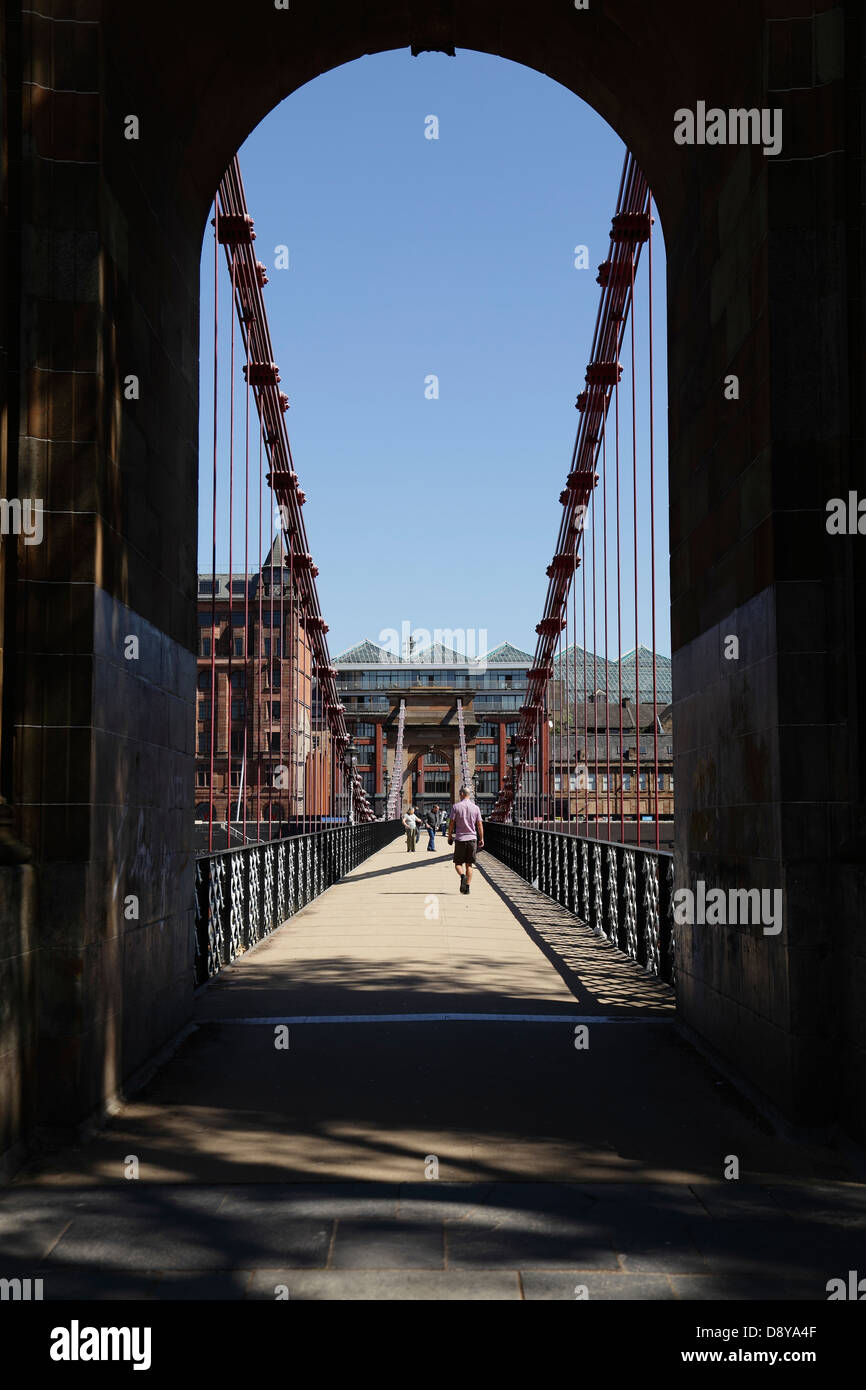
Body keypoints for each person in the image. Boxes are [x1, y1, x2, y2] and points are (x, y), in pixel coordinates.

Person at [447, 785, 484, 895]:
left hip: (460, 839)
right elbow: (479, 825)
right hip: (472, 839)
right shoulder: (476, 808)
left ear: (462, 794)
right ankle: (467, 888)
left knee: (458, 863)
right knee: (469, 865)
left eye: (459, 794)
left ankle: (462, 876)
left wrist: (449, 836)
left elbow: (451, 823)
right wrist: (481, 838)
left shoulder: (456, 807)